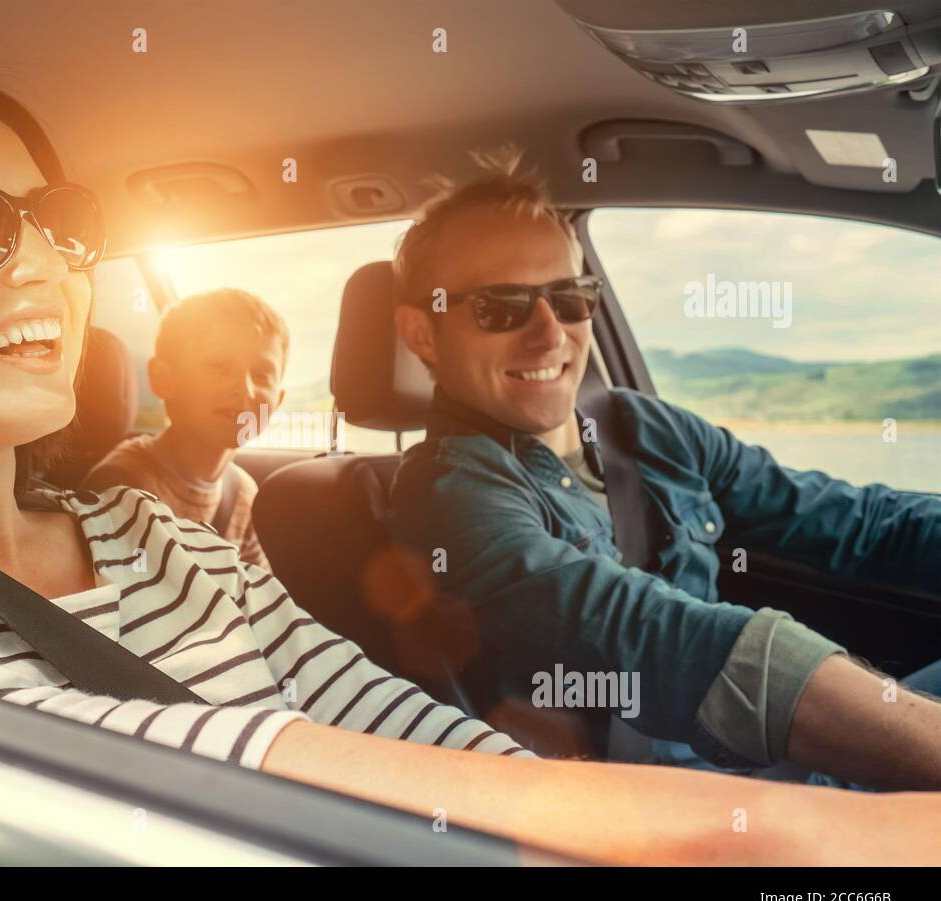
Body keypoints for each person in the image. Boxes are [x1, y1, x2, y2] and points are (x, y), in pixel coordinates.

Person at [0, 63, 941, 865]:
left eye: (59, 223)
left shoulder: (157, 538)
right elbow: (137, 759)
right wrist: (785, 837)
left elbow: (391, 726)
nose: (49, 264)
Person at [385, 145, 941, 790]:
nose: (549, 333)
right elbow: (652, 637)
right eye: (500, 307)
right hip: (681, 814)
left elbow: (854, 522)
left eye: (569, 298)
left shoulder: (640, 428)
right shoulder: (448, 495)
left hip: (763, 766)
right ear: (423, 334)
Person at [84, 288, 287, 567]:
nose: (245, 389)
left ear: (278, 400)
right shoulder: (122, 487)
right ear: (163, 379)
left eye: (263, 374)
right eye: (220, 366)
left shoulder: (242, 491)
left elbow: (257, 598)